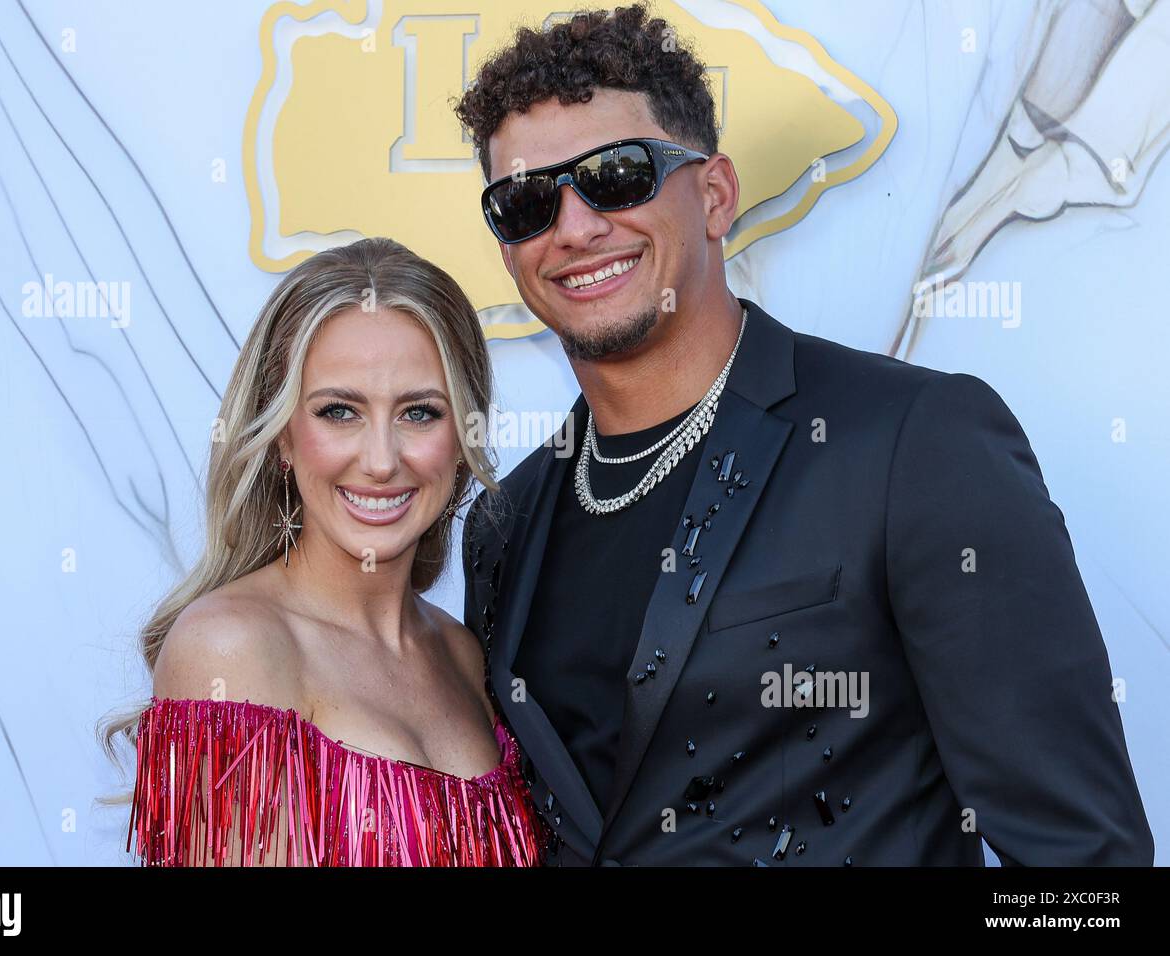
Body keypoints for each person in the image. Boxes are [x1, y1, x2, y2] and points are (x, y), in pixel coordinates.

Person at [451, 3, 1153, 866]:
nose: (574, 226)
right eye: (525, 202)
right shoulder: (502, 526)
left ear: (715, 194)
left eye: (620, 175)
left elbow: (1084, 867)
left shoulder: (913, 444)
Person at [113, 237, 548, 866]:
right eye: (339, 411)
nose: (380, 460)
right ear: (283, 436)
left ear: (464, 436)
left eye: (419, 413)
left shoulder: (462, 653)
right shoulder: (230, 648)